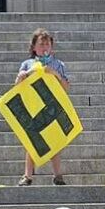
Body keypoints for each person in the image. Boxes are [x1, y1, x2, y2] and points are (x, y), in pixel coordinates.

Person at [15, 28, 70, 186]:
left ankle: (58, 175)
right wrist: (21, 77)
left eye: (48, 44)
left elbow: (66, 87)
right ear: (34, 47)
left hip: (52, 106)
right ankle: (27, 175)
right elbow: (17, 87)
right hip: (33, 106)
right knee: (32, 141)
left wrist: (55, 74)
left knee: (55, 141)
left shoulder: (58, 64)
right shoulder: (26, 64)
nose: (45, 47)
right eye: (41, 44)